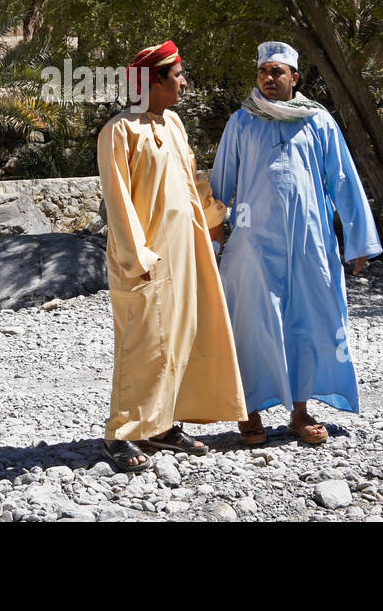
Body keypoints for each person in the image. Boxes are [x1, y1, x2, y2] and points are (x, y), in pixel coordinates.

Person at [210, 41, 382, 446]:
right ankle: (247, 413)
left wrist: (357, 241)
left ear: (295, 78)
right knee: (252, 323)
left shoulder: (318, 122)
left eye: (277, 72)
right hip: (253, 246)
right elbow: (221, 185)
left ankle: (299, 413)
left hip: (310, 243)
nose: (269, 79)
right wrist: (211, 241)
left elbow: (343, 181)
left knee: (308, 323)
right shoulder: (241, 122)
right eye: (263, 72)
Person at [97, 41, 248, 472]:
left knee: (182, 338)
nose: (184, 82)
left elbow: (192, 181)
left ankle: (162, 425)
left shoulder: (175, 123)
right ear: (154, 81)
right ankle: (121, 434)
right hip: (146, 258)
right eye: (177, 75)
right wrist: (136, 257)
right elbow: (119, 201)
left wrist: (215, 220)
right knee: (145, 343)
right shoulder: (119, 131)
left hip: (189, 251)